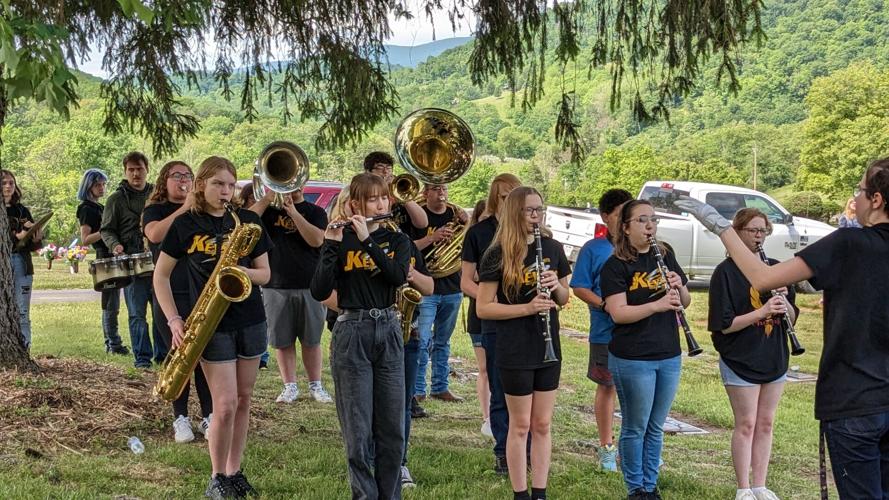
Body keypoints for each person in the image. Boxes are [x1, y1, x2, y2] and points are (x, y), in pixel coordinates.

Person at [676, 158, 889, 499]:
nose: (857, 200)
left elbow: (763, 278)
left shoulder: (849, 243)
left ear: (876, 200)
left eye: (860, 191)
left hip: (857, 398)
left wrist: (721, 227)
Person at [153, 156, 272, 499]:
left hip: (250, 319)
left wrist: (240, 272)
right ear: (201, 184)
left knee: (244, 399)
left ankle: (235, 471)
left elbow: (266, 274)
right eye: (218, 183)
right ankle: (217, 476)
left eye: (230, 185)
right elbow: (160, 277)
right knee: (224, 404)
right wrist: (174, 319)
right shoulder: (185, 224)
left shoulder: (246, 221)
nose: (225, 191)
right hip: (209, 323)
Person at [310, 172, 411, 500]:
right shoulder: (342, 240)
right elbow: (320, 289)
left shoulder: (397, 240)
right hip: (352, 329)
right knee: (357, 428)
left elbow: (397, 277)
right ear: (355, 204)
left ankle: (390, 495)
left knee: (392, 429)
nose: (380, 203)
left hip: (389, 328)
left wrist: (368, 239)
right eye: (372, 199)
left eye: (383, 198)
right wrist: (330, 245)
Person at [477, 187, 571, 500]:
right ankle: (520, 492)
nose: (536, 216)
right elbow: (484, 307)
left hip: (547, 345)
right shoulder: (497, 253)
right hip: (514, 346)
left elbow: (564, 299)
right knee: (520, 425)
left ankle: (540, 492)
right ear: (515, 212)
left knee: (542, 424)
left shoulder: (553, 248)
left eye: (539, 210)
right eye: (530, 210)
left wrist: (555, 285)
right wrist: (527, 308)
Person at [600, 199, 691, 500]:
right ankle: (635, 487)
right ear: (625, 228)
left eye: (653, 219)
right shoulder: (615, 266)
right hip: (632, 356)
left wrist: (679, 288)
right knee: (635, 426)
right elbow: (618, 313)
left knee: (656, 426)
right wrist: (657, 304)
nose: (650, 225)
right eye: (641, 220)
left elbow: (686, 301)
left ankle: (651, 487)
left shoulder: (664, 254)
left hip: (668, 353)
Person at [708, 208, 798, 500]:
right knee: (746, 423)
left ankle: (760, 484)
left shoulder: (775, 268)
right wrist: (761, 311)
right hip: (740, 357)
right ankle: (743, 487)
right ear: (737, 233)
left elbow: (792, 319)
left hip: (774, 356)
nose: (759, 236)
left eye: (763, 231)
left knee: (766, 422)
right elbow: (723, 326)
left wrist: (784, 301)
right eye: (753, 230)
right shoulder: (726, 272)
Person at [142, 161, 213, 444]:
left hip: (199, 291)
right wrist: (184, 209)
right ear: (165, 180)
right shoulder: (155, 210)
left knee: (205, 357)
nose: (183, 181)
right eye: (177, 176)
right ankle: (180, 417)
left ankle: (209, 415)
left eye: (187, 176)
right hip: (169, 293)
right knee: (178, 355)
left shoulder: (201, 212)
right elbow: (156, 234)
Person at [460, 173, 523, 474]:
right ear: (494, 197)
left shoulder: (532, 233)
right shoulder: (480, 232)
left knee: (524, 390)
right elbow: (466, 281)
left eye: (514, 195)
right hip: (493, 321)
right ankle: (502, 452)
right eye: (503, 196)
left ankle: (523, 447)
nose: (508, 201)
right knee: (499, 386)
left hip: (524, 322)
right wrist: (491, 300)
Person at [569, 188, 633, 473]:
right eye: (620, 214)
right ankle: (607, 447)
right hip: (606, 331)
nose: (624, 220)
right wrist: (605, 304)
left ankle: (635, 447)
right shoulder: (594, 249)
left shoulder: (641, 248)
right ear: (606, 217)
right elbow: (580, 286)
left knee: (637, 391)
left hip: (640, 333)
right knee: (607, 387)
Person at [249, 185, 332, 404]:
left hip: (309, 285)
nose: (289, 187)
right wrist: (268, 199)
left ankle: (316, 385)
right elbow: (246, 221)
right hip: (275, 284)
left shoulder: (315, 212)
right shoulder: (268, 211)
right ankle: (290, 386)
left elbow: (317, 240)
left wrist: (293, 212)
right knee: (282, 340)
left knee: (311, 339)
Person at [412, 182, 468, 403]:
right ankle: (417, 389)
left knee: (443, 341)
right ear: (425, 193)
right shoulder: (418, 216)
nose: (441, 193)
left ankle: (440, 386)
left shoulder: (457, 216)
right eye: (436, 189)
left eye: (444, 189)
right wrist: (432, 239)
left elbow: (470, 244)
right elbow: (406, 246)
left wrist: (469, 222)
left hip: (452, 287)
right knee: (422, 341)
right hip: (426, 287)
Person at [100, 151, 155, 368]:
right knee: (136, 312)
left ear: (146, 169)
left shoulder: (156, 194)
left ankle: (163, 355)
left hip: (158, 259)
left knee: (161, 311)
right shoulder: (116, 199)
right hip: (131, 262)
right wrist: (116, 246)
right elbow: (106, 230)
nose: (135, 173)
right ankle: (142, 359)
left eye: (139, 169)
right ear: (125, 171)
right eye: (131, 169)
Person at [76, 168, 129, 356]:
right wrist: (107, 230)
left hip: (111, 253)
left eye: (103, 184)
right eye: (98, 185)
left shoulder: (100, 206)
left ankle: (114, 341)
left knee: (114, 301)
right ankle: (112, 343)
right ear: (88, 186)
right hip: (103, 255)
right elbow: (85, 239)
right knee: (110, 302)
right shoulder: (86, 208)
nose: (102, 188)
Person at [2, 169, 42, 349]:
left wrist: (36, 237)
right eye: (4, 183)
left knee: (22, 311)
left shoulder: (22, 210)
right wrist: (15, 236)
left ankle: (25, 347)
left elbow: (34, 245)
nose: (8, 186)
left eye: (11, 182)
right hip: (5, 260)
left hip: (21, 263)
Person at [467, 198, 493, 435]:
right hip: (479, 313)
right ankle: (486, 417)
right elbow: (470, 277)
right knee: (484, 368)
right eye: (485, 219)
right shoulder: (474, 239)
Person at [364, 151, 428, 232]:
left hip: (404, 242)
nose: (385, 172)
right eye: (380, 167)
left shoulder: (397, 195)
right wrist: (382, 190)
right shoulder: (365, 197)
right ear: (368, 172)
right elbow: (381, 224)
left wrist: (403, 196)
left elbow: (422, 224)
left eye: (388, 167)